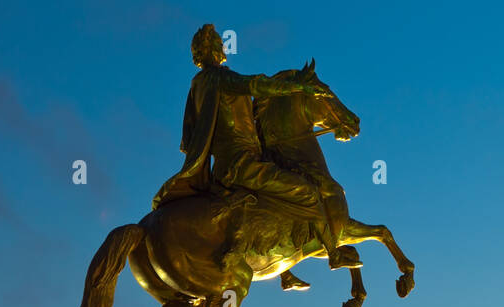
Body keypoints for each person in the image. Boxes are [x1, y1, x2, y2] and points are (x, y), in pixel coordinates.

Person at [152, 24, 358, 269]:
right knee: (307, 191)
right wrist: (299, 87)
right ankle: (333, 253)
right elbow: (257, 85)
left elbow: (188, 140)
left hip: (221, 169)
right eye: (218, 44)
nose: (221, 48)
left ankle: (285, 271)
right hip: (243, 165)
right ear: (214, 50)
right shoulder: (220, 77)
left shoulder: (196, 88)